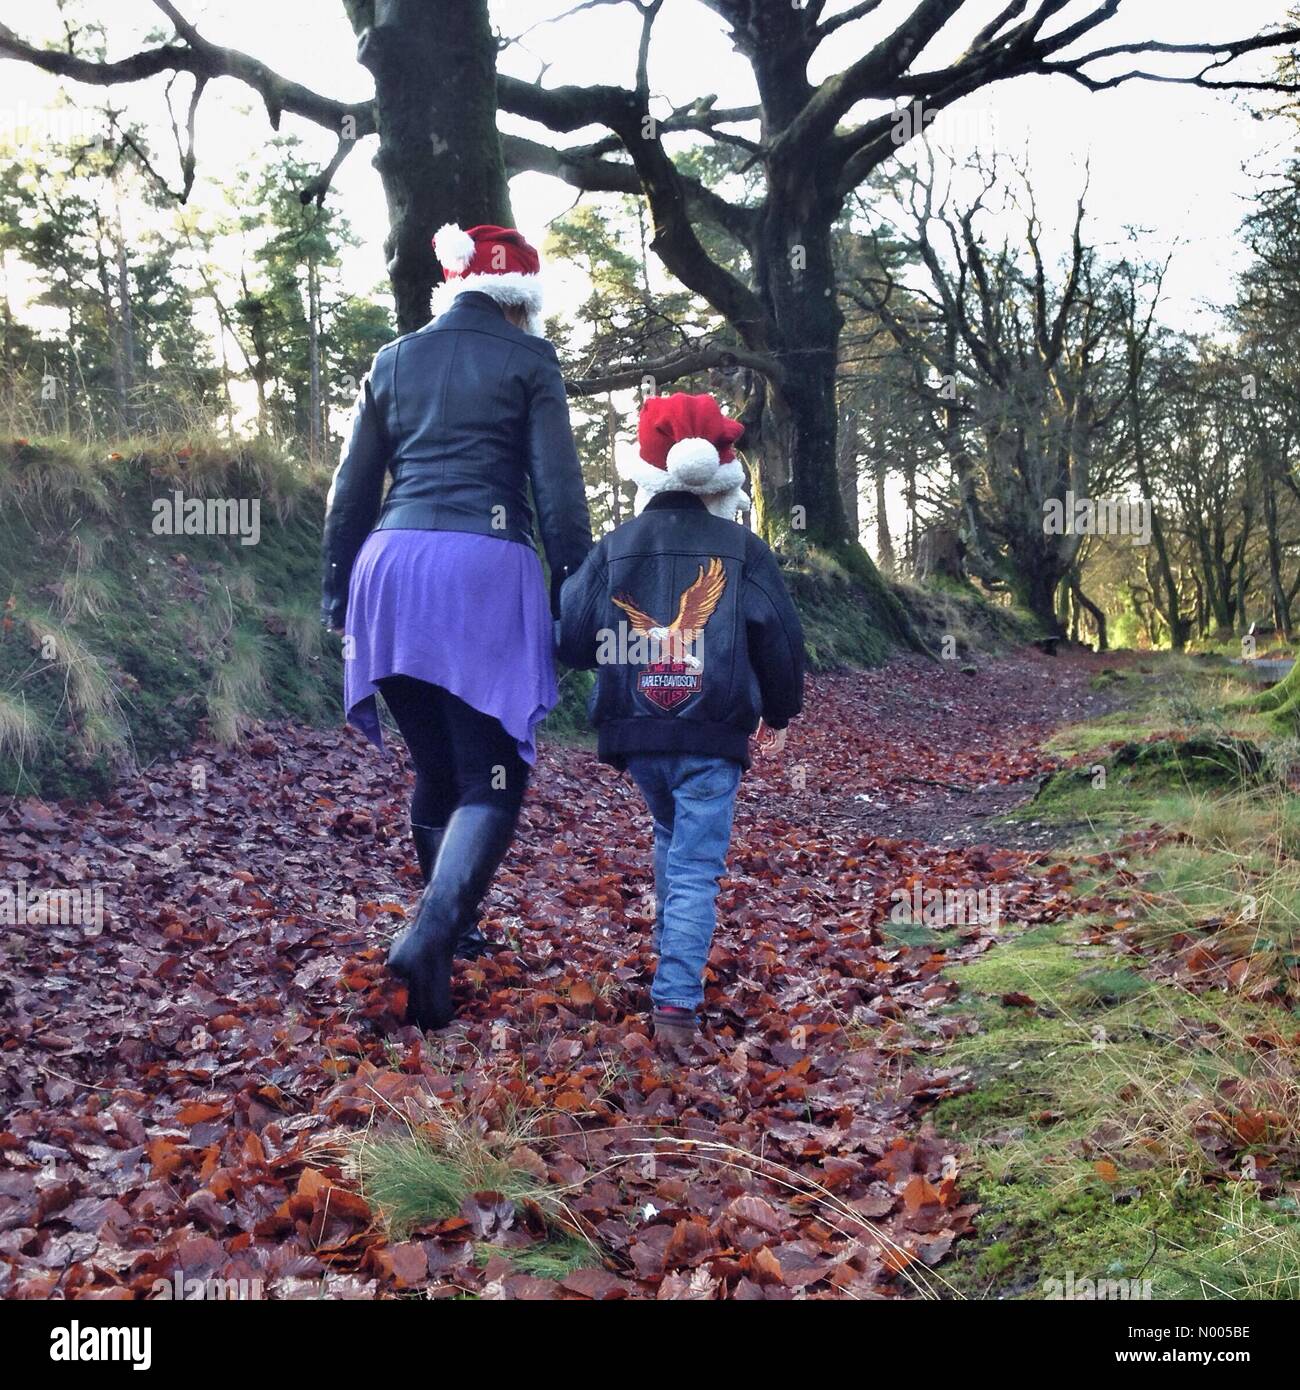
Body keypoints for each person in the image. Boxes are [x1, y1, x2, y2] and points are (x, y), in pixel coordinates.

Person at [321, 222, 592, 1031]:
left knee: (437, 769)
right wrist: (574, 593)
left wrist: (337, 592)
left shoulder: (393, 359)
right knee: (493, 775)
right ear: (520, 303)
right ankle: (431, 930)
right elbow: (559, 497)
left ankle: (447, 948)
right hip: (480, 571)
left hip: (389, 572)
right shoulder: (530, 360)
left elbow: (351, 490)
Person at [557, 392, 805, 1048]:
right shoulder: (743, 550)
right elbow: (780, 637)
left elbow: (573, 639)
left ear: (648, 475)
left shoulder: (615, 547)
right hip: (713, 731)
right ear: (718, 481)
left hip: (638, 734)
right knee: (695, 864)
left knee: (672, 836)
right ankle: (675, 1004)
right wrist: (780, 710)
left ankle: (672, 959)